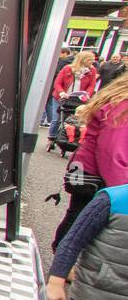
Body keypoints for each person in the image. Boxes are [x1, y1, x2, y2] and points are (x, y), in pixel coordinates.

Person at [52, 69, 128, 251]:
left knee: (77, 215)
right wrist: (120, 190)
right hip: (94, 174)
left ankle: (62, 258)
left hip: (85, 169)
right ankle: (62, 264)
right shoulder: (122, 107)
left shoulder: (119, 102)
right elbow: (111, 151)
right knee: (80, 219)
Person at [48, 50, 99, 150]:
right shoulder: (67, 69)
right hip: (62, 97)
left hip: (78, 99)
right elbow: (57, 83)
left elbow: (91, 85)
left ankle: (72, 139)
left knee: (75, 120)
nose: (92, 62)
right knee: (57, 119)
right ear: (83, 60)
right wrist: (62, 92)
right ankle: (51, 137)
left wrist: (87, 94)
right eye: (90, 60)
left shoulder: (92, 71)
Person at [42, 48, 72, 128]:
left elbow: (57, 79)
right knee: (49, 104)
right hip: (65, 92)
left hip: (57, 89)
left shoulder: (61, 62)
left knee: (47, 103)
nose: (59, 55)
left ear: (65, 53)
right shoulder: (68, 63)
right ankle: (49, 120)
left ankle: (45, 120)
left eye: (61, 53)